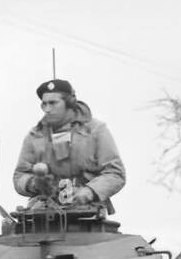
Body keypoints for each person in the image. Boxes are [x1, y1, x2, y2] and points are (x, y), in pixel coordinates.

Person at [14, 78, 126, 207]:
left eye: (53, 103)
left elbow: (115, 173)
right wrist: (33, 183)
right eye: (44, 104)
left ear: (69, 103)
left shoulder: (95, 130)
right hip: (45, 208)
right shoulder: (35, 136)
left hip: (88, 210)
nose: (47, 109)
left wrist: (89, 191)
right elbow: (19, 176)